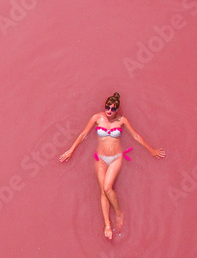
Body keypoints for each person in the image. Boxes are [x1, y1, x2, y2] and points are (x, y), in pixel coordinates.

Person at [59, 92, 165, 239]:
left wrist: (151, 150)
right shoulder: (97, 118)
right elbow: (83, 134)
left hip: (116, 158)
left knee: (108, 188)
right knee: (103, 191)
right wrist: (71, 151)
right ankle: (107, 224)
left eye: (113, 108)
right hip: (100, 158)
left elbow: (135, 136)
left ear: (117, 109)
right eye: (107, 107)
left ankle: (118, 212)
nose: (109, 110)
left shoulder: (122, 120)